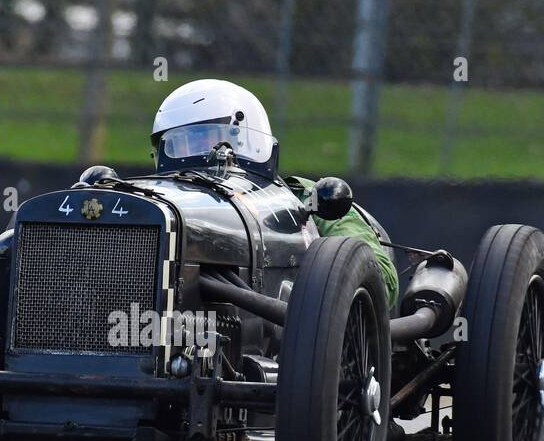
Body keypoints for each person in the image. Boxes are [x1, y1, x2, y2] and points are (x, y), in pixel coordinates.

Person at [150, 79, 399, 309]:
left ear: (242, 138)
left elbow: (379, 279)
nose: (193, 151)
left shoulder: (304, 198)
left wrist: (317, 300)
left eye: (203, 139)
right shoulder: (156, 205)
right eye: (177, 144)